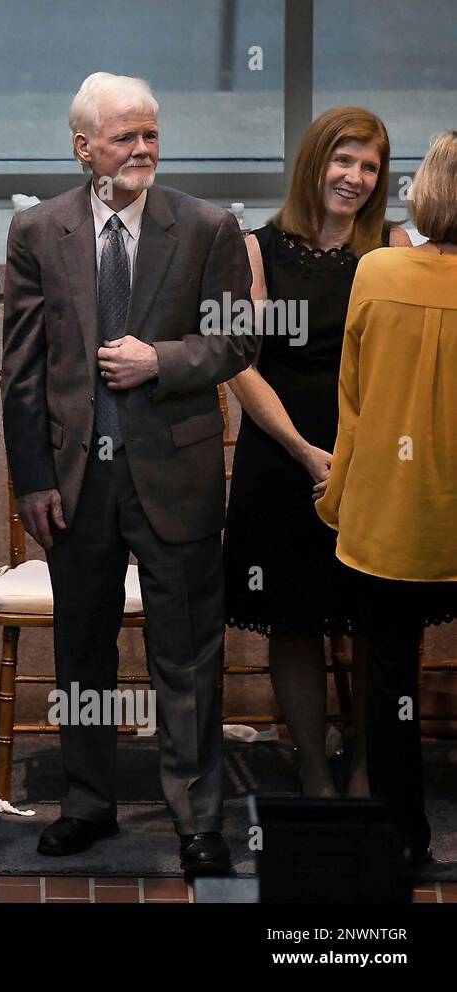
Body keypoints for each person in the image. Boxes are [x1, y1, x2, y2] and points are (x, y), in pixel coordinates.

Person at [0, 72, 257, 877]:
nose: (143, 149)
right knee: (84, 650)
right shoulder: (39, 232)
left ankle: (199, 819)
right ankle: (87, 802)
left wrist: (165, 359)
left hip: (174, 475)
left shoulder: (207, 226)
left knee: (187, 653)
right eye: (125, 137)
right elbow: (22, 374)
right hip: (77, 484)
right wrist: (34, 482)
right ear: (84, 148)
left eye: (150, 134)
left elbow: (238, 340)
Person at [224, 108, 411, 798]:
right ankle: (310, 767)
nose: (356, 178)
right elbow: (242, 363)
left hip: (374, 461)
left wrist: (363, 455)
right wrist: (306, 453)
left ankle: (366, 769)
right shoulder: (256, 249)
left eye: (369, 167)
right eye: (344, 161)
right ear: (314, 164)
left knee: (373, 624)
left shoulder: (393, 247)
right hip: (282, 457)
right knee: (293, 619)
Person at [316, 129, 457, 869]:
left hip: (388, 516)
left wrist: (337, 500)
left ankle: (405, 835)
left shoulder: (375, 271)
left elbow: (354, 405)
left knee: (391, 678)